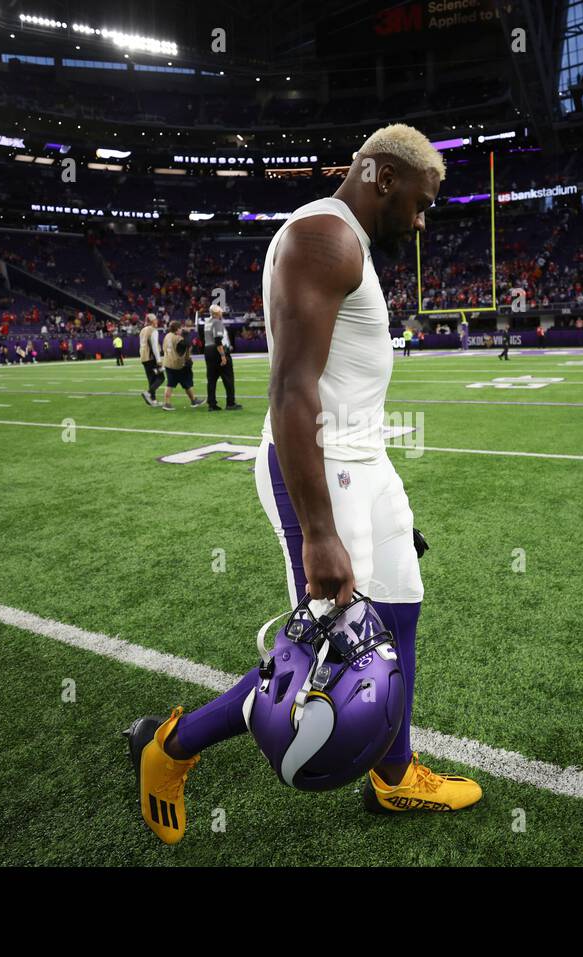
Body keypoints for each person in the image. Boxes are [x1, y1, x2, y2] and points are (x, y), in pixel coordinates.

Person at [124, 123, 481, 846]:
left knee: (402, 611)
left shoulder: (346, 239)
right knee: (317, 659)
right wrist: (321, 529)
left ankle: (395, 774)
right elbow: (290, 389)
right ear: (381, 175)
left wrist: (380, 495)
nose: (420, 221)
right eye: (418, 202)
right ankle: (169, 746)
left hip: (366, 462)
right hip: (322, 469)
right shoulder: (326, 237)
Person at [158, 321, 206, 410]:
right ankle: (193, 400)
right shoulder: (177, 338)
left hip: (168, 363)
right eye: (180, 328)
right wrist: (187, 334)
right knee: (184, 382)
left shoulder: (167, 336)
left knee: (173, 384)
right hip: (177, 365)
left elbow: (164, 349)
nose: (181, 330)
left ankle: (168, 403)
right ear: (177, 330)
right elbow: (186, 344)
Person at [202, 305, 241, 411]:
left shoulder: (207, 322)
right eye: (220, 311)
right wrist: (223, 355)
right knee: (228, 378)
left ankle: (212, 404)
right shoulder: (217, 322)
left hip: (208, 350)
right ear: (215, 313)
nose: (221, 313)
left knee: (211, 379)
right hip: (217, 351)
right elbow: (218, 340)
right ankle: (230, 403)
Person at [138, 315, 164, 407]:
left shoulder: (143, 330)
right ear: (152, 321)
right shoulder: (153, 330)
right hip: (151, 358)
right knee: (161, 378)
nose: (157, 321)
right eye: (155, 319)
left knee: (151, 379)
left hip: (144, 358)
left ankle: (153, 401)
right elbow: (154, 347)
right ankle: (148, 393)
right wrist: (159, 360)